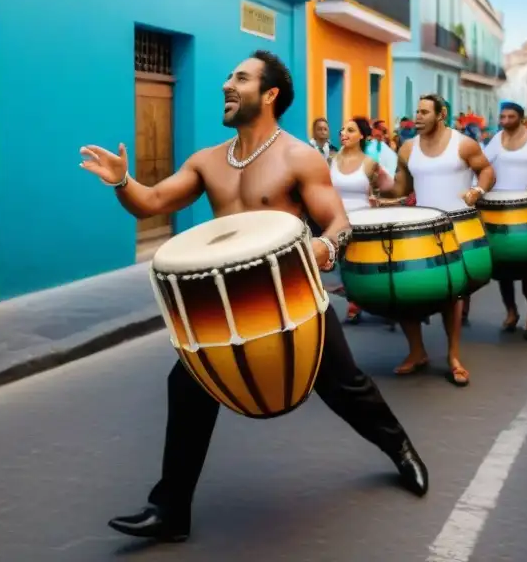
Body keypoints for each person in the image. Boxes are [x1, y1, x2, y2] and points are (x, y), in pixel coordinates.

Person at [80, 51, 428, 542]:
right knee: (186, 387)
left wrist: (326, 245)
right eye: (228, 77)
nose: (227, 84)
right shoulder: (206, 161)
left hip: (294, 295)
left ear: (269, 95)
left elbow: (338, 221)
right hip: (225, 306)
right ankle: (171, 511)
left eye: (240, 78)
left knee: (347, 388)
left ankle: (402, 452)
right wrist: (121, 181)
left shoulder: (298, 157)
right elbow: (151, 203)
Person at [374, 94, 495, 386]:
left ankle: (453, 356)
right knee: (404, 292)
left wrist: (477, 192)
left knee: (452, 295)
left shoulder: (463, 144)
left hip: (456, 228)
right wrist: (380, 189)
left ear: (441, 115)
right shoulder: (406, 148)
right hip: (421, 229)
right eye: (416, 111)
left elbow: (487, 171)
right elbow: (401, 187)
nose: (417, 116)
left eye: (425, 112)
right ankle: (417, 352)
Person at [483, 101, 527, 341]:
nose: (504, 121)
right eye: (502, 117)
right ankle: (511, 311)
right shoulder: (496, 140)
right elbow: (482, 166)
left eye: (510, 117)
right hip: (499, 210)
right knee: (502, 268)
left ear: (521, 118)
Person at [330, 117, 390, 325]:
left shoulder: (370, 163)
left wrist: (380, 198)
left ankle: (360, 303)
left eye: (350, 130)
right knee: (342, 264)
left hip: (363, 220)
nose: (343, 133)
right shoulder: (331, 160)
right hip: (337, 220)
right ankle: (354, 301)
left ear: (362, 136)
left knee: (360, 263)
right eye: (342, 129)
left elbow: (387, 189)